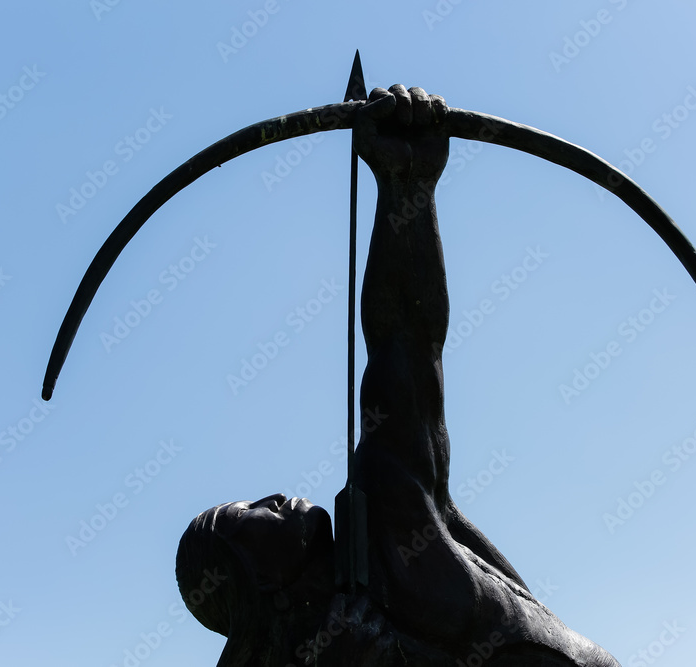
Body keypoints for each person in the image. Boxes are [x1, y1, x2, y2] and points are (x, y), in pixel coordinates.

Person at [176, 85, 621, 667]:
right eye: (238, 519)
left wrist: (406, 190)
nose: (270, 498)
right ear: (252, 579)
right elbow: (403, 342)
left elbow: (406, 348)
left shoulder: (384, 531)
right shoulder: (377, 546)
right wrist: (403, 184)